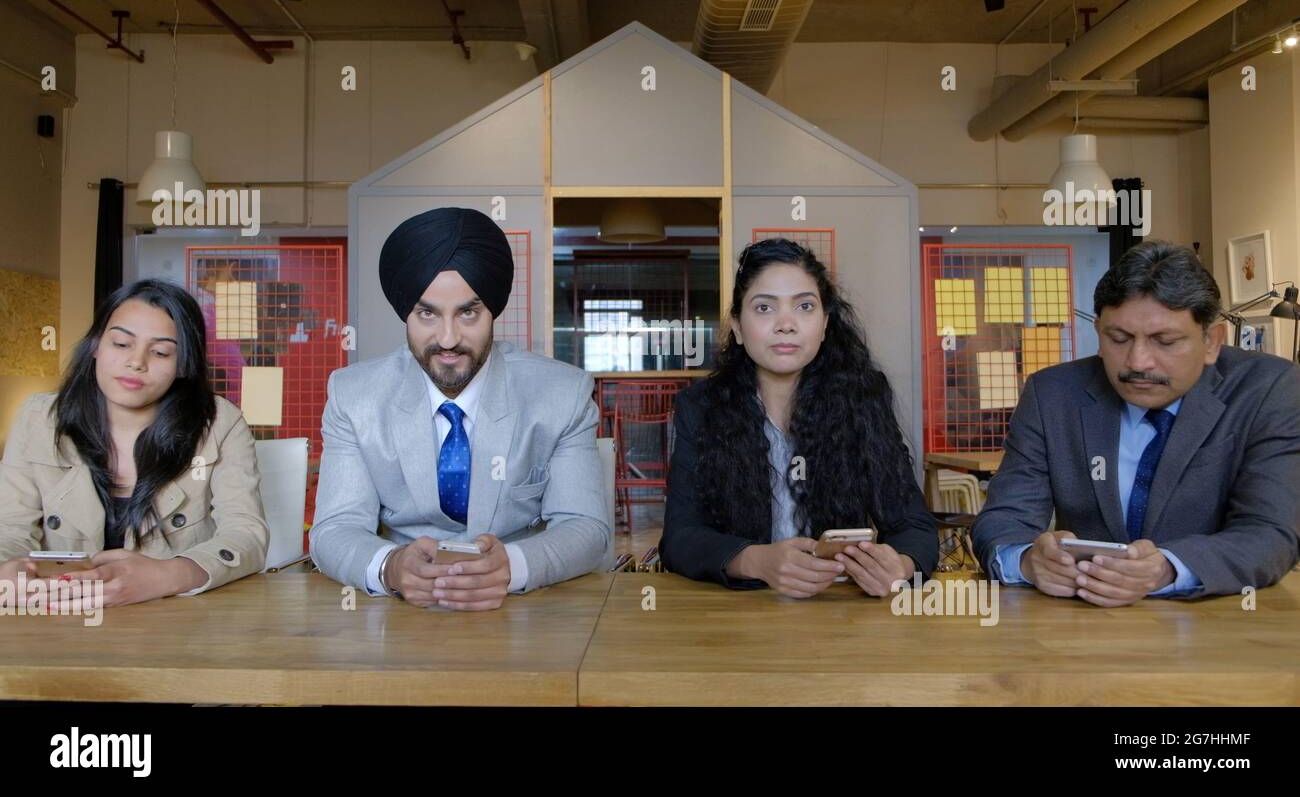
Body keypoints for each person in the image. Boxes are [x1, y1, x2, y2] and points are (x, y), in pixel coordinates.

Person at [309, 206, 610, 610]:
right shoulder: (354, 395)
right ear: (406, 313)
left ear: (493, 312)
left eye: (468, 312)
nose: (448, 339)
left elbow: (585, 526)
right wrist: (390, 567)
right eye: (427, 313)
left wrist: (513, 567)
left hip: (526, 611)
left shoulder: (562, 393)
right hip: (400, 615)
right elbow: (335, 529)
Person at [972, 240, 1300, 605]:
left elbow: (1270, 533)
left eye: (1165, 341)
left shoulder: (1270, 389)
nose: (1138, 361)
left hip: (1220, 627)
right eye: (1119, 338)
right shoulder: (1052, 394)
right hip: (1077, 627)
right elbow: (1003, 520)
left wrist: (1168, 569)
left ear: (1211, 341)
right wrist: (1028, 561)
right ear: (1098, 332)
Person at [659, 239, 938, 597]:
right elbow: (680, 538)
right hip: (735, 619)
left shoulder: (861, 399)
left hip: (837, 616)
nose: (786, 324)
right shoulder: (701, 406)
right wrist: (754, 560)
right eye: (764, 308)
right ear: (739, 327)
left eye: (805, 306)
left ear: (824, 325)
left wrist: (901, 566)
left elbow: (914, 526)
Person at [0, 279, 269, 606]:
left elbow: (246, 535)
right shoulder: (38, 418)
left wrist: (168, 575)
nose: (137, 362)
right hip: (60, 615)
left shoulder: (220, 423)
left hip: (178, 624)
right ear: (96, 345)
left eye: (160, 352)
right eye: (121, 344)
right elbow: (9, 530)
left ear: (183, 364)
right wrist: (8, 570)